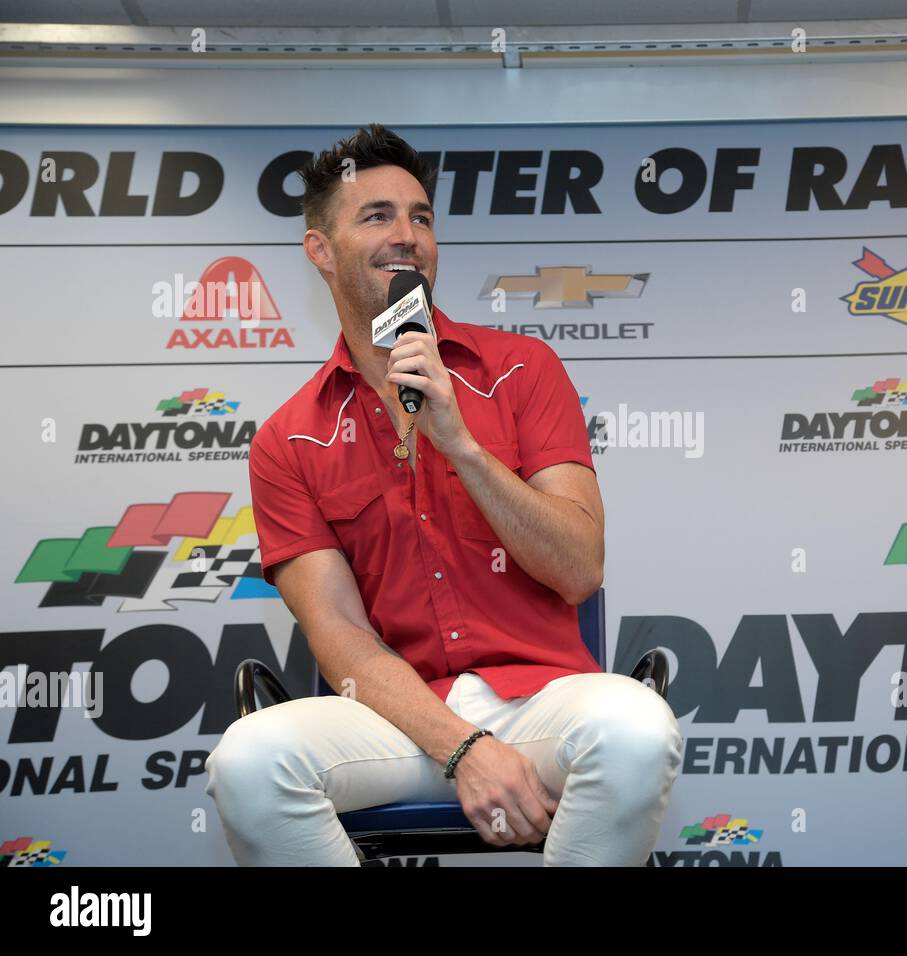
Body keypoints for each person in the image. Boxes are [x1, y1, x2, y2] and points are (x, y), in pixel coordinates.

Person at [204, 124, 682, 866]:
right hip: (397, 720)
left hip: (540, 701)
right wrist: (465, 749)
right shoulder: (287, 440)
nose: (408, 235)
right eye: (377, 216)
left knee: (638, 729)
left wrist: (461, 442)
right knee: (248, 761)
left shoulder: (522, 370)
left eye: (421, 217)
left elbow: (579, 567)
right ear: (320, 251)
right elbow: (340, 639)